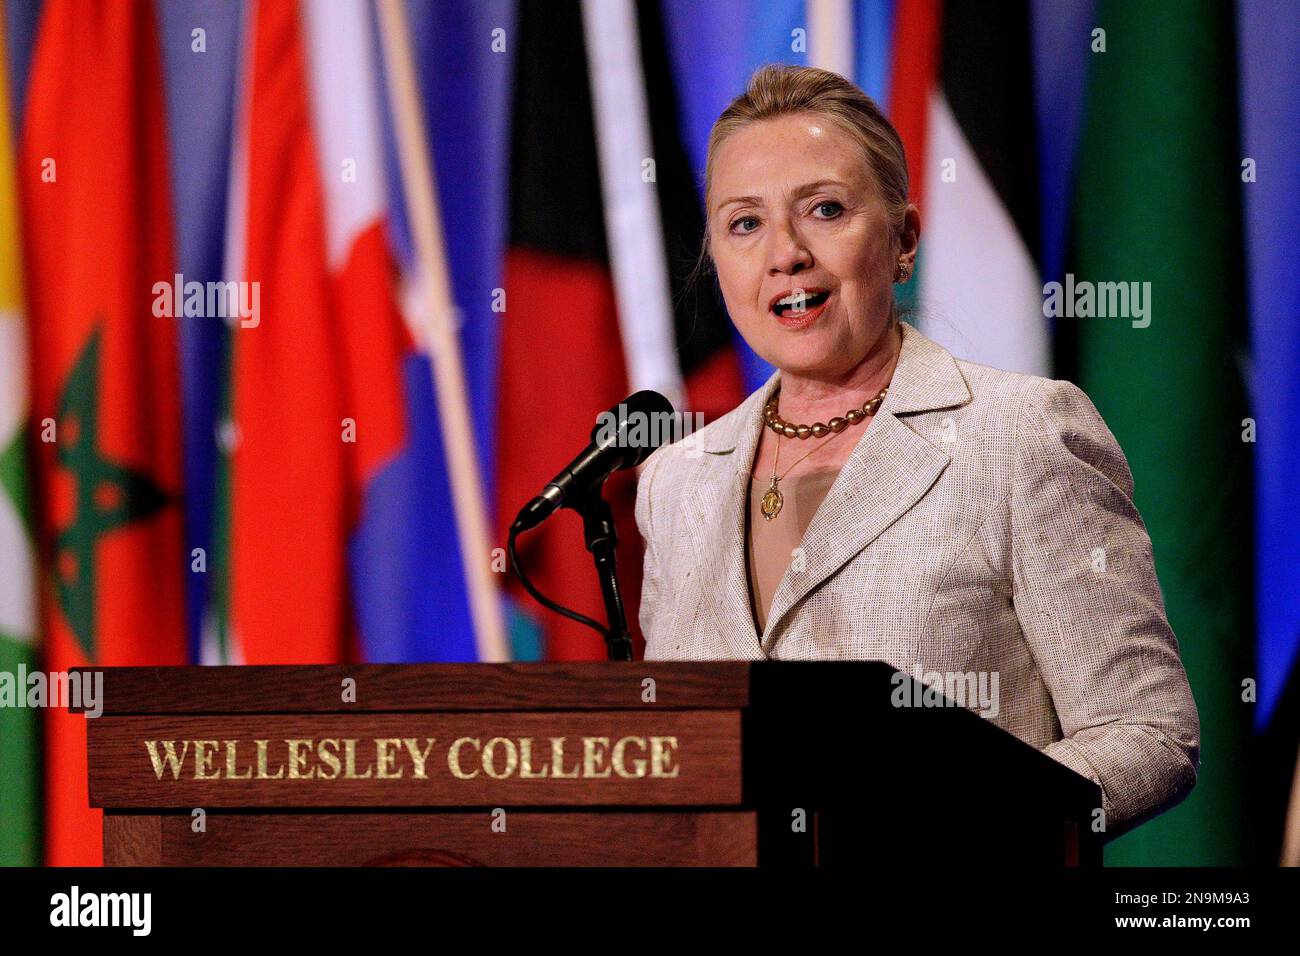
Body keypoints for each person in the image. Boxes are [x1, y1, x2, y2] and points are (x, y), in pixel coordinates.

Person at [634, 64, 1198, 840]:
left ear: (902, 241)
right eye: (744, 223)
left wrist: (953, 830)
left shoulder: (1021, 434)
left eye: (825, 210)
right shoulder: (675, 483)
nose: (785, 253)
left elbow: (1150, 736)